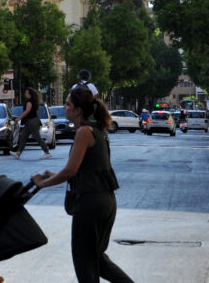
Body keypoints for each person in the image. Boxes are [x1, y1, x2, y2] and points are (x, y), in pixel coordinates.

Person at [30, 87, 133, 283]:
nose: (64, 107)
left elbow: (70, 171)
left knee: (84, 261)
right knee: (97, 259)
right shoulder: (98, 130)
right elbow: (86, 169)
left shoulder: (84, 132)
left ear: (78, 110)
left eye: (68, 104)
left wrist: (43, 184)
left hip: (90, 203)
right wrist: (53, 175)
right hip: (106, 200)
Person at [13, 87, 51, 160]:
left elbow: (27, 111)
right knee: (23, 137)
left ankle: (47, 152)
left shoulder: (29, 102)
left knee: (37, 137)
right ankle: (18, 153)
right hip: (29, 121)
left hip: (32, 121)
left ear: (30, 94)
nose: (25, 94)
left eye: (26, 93)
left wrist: (18, 118)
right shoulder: (33, 101)